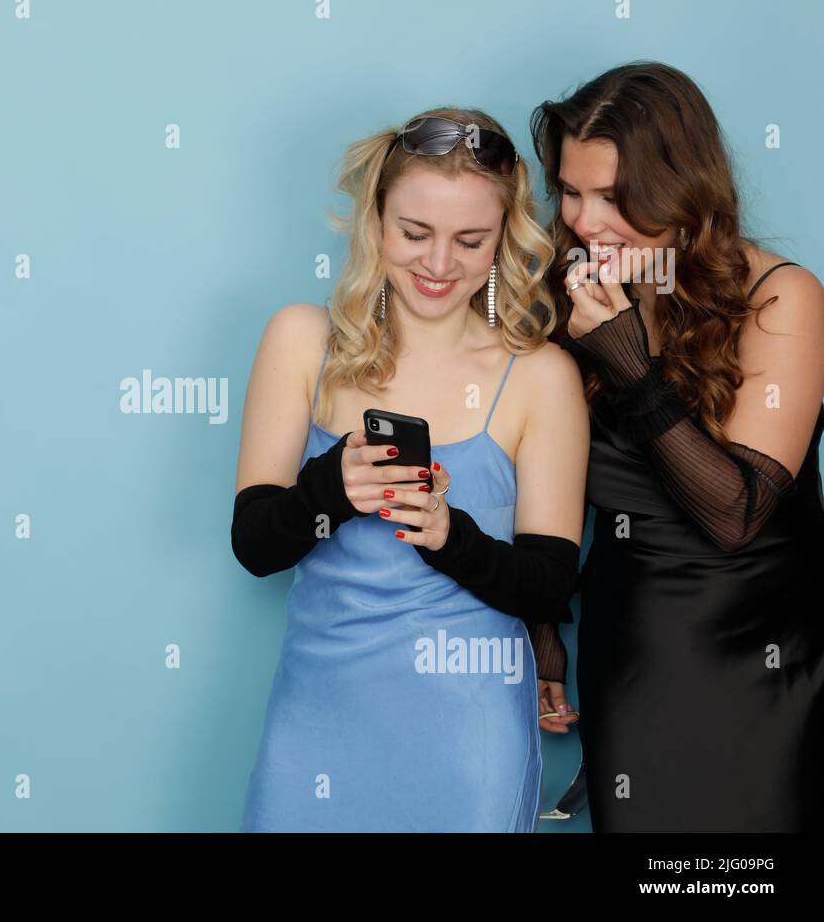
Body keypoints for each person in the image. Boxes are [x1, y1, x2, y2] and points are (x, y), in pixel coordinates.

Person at [231, 109, 587, 831]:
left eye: (470, 241)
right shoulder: (302, 340)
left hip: (468, 736)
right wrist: (330, 489)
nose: (438, 264)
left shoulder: (539, 375)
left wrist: (445, 534)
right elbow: (255, 547)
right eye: (414, 233)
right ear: (376, 223)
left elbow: (549, 583)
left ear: (505, 239)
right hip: (317, 715)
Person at [532, 60, 824, 831]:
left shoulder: (780, 296)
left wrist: (631, 366)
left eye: (613, 196)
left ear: (678, 186)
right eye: (570, 191)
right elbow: (531, 478)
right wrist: (542, 633)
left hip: (768, 669)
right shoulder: (567, 299)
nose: (585, 221)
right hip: (638, 667)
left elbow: (736, 515)